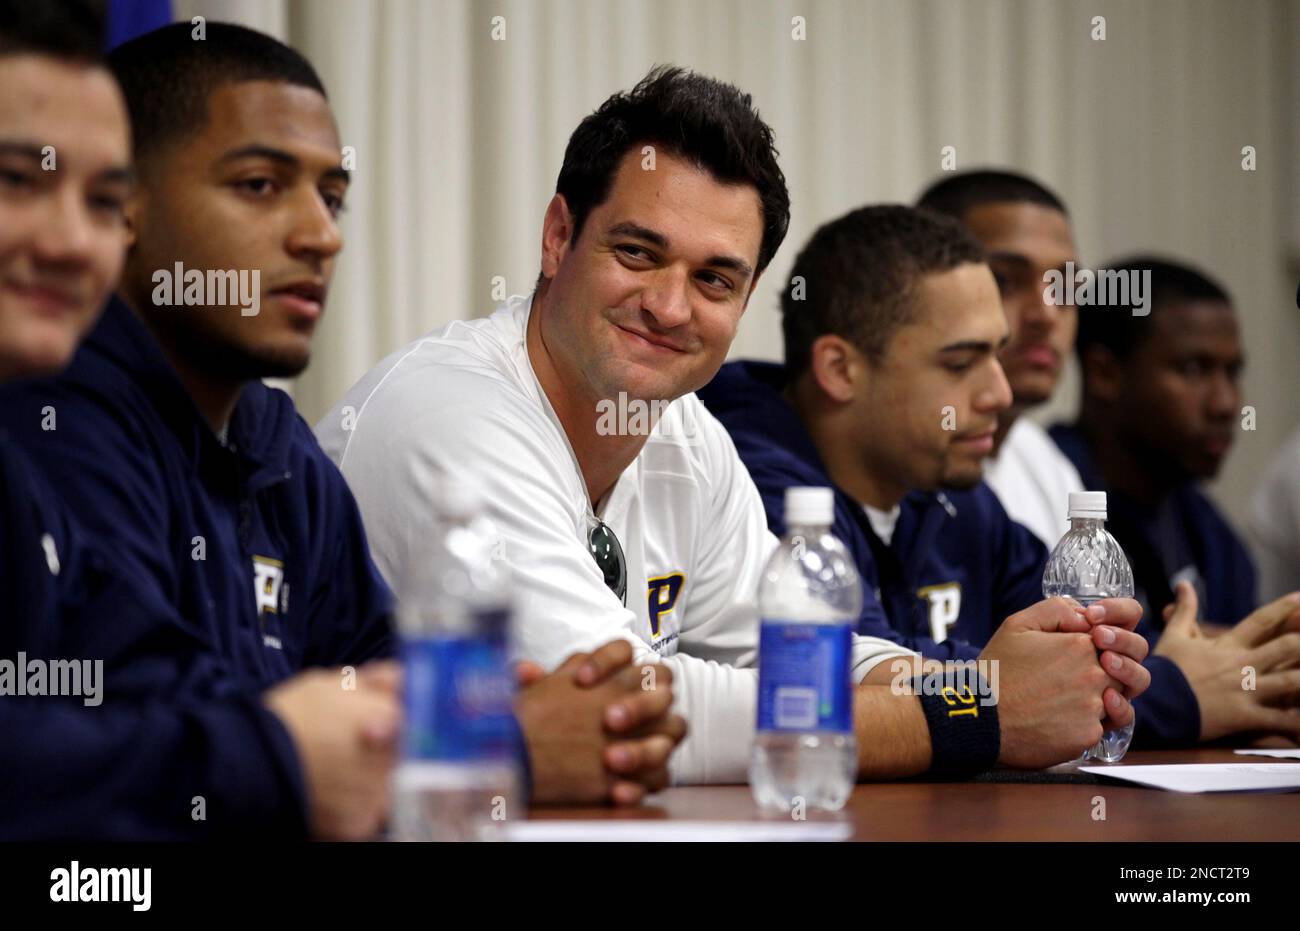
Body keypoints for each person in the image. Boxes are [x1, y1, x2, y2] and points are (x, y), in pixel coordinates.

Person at [320, 67, 1146, 784]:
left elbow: (793, 651)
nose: (670, 306)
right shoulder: (453, 415)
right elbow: (613, 706)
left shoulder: (685, 431)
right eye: (638, 253)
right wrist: (979, 708)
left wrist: (982, 683)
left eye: (715, 279)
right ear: (558, 235)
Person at [0, 20, 683, 838]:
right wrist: (504, 742)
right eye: (259, 185)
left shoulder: (272, 440)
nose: (321, 235)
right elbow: (134, 754)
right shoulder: (56, 415)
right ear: (135, 213)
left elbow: (379, 672)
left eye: (331, 198)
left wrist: (506, 713)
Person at [699, 205, 1165, 741]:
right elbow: (862, 677)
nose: (1000, 394)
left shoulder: (944, 481)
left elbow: (1089, 656)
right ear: (839, 369)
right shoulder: (750, 478)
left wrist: (1171, 675)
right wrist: (1187, 697)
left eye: (998, 355)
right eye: (960, 363)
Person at [1052, 256, 1256, 625]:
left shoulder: (1206, 530)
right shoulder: (1043, 495)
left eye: (1233, 372)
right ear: (1105, 374)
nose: (1225, 403)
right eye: (1194, 369)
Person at [916, 170, 1085, 548]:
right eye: (1004, 280)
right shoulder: (898, 461)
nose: (1046, 314)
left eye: (1066, 287)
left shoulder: (1043, 462)